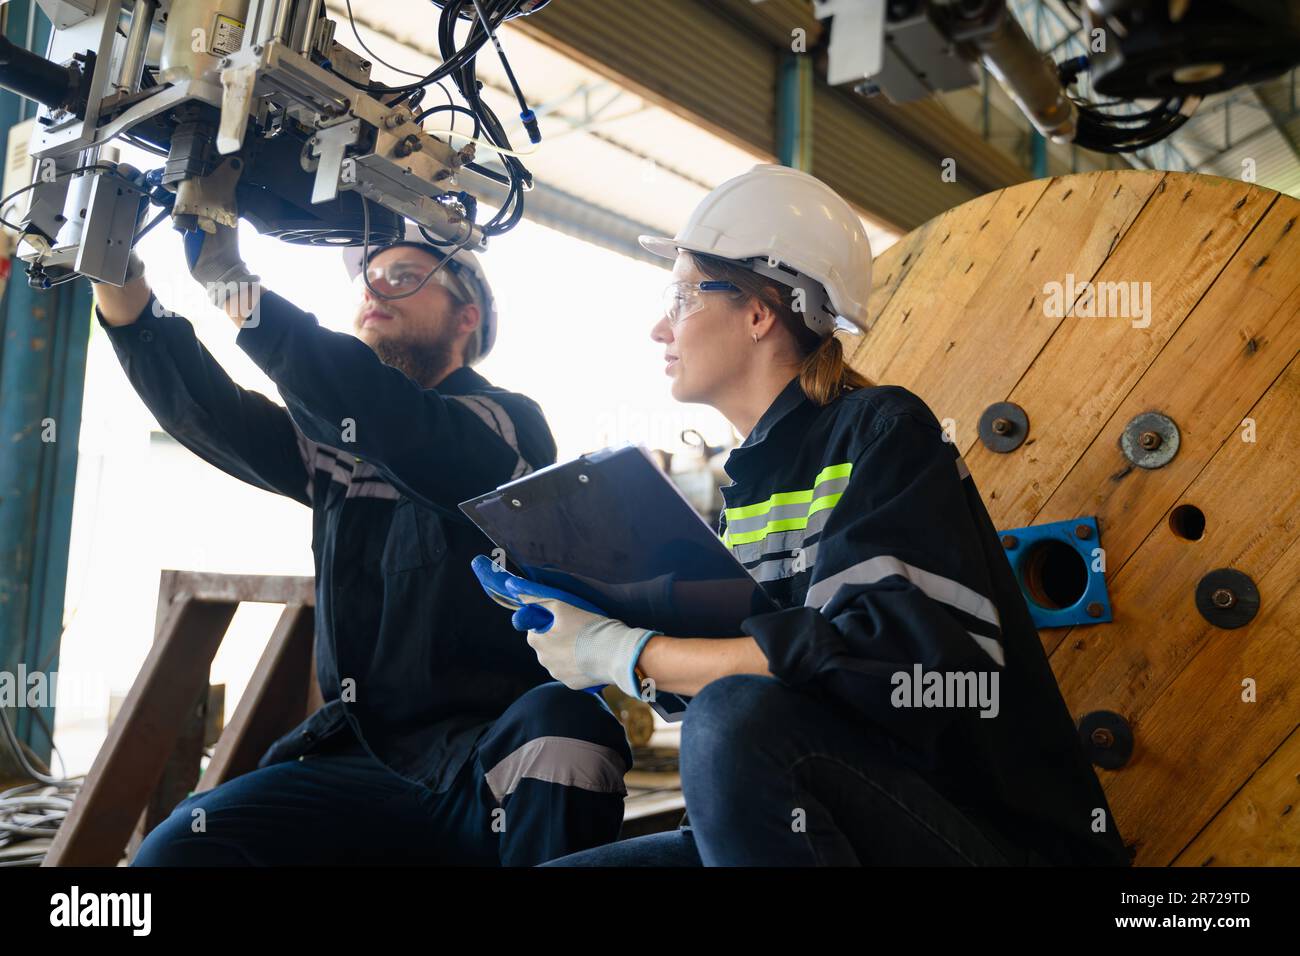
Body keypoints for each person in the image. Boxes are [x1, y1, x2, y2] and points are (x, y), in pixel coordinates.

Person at [486, 164, 1131, 866]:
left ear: (760, 312)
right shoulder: (752, 492)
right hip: (818, 819)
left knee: (737, 719)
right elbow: (765, 677)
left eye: (679, 297)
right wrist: (607, 624)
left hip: (975, 837)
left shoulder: (882, 431)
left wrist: (632, 654)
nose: (657, 328)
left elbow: (891, 666)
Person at [89, 200, 631, 866]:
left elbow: (387, 418)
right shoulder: (340, 454)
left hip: (486, 764)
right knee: (183, 851)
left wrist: (232, 281)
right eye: (365, 282)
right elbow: (207, 411)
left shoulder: (504, 427)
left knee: (567, 726)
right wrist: (117, 278)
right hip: (365, 758)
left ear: (468, 318)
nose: (375, 292)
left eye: (402, 277)